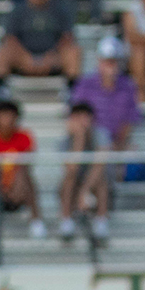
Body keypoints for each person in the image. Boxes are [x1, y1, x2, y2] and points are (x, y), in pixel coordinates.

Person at [0, 0, 80, 92]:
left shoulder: (60, 9)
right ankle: (1, 91)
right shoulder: (17, 9)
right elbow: (10, 38)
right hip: (24, 59)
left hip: (53, 59)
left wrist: (50, 56)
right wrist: (27, 57)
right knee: (3, 51)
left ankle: (72, 92)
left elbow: (67, 37)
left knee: (73, 52)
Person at [0, 99, 45, 243]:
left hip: (18, 190)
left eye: (10, 115)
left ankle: (36, 221)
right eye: (3, 115)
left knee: (23, 172)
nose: (7, 120)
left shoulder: (24, 137)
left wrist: (13, 187)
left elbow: (27, 166)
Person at [68, 36, 140, 150]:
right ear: (99, 61)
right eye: (108, 61)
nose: (111, 66)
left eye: (114, 61)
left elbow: (129, 121)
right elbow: (77, 116)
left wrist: (116, 145)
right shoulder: (85, 84)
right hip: (90, 143)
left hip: (117, 144)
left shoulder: (128, 86)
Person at [57, 101, 109, 240]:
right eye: (77, 117)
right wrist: (79, 139)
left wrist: (84, 192)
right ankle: (66, 220)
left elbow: (100, 164)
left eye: (84, 117)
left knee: (100, 179)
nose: (81, 121)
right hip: (74, 186)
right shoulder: (65, 140)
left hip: (93, 186)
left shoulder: (101, 134)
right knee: (69, 178)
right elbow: (71, 168)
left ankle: (101, 220)